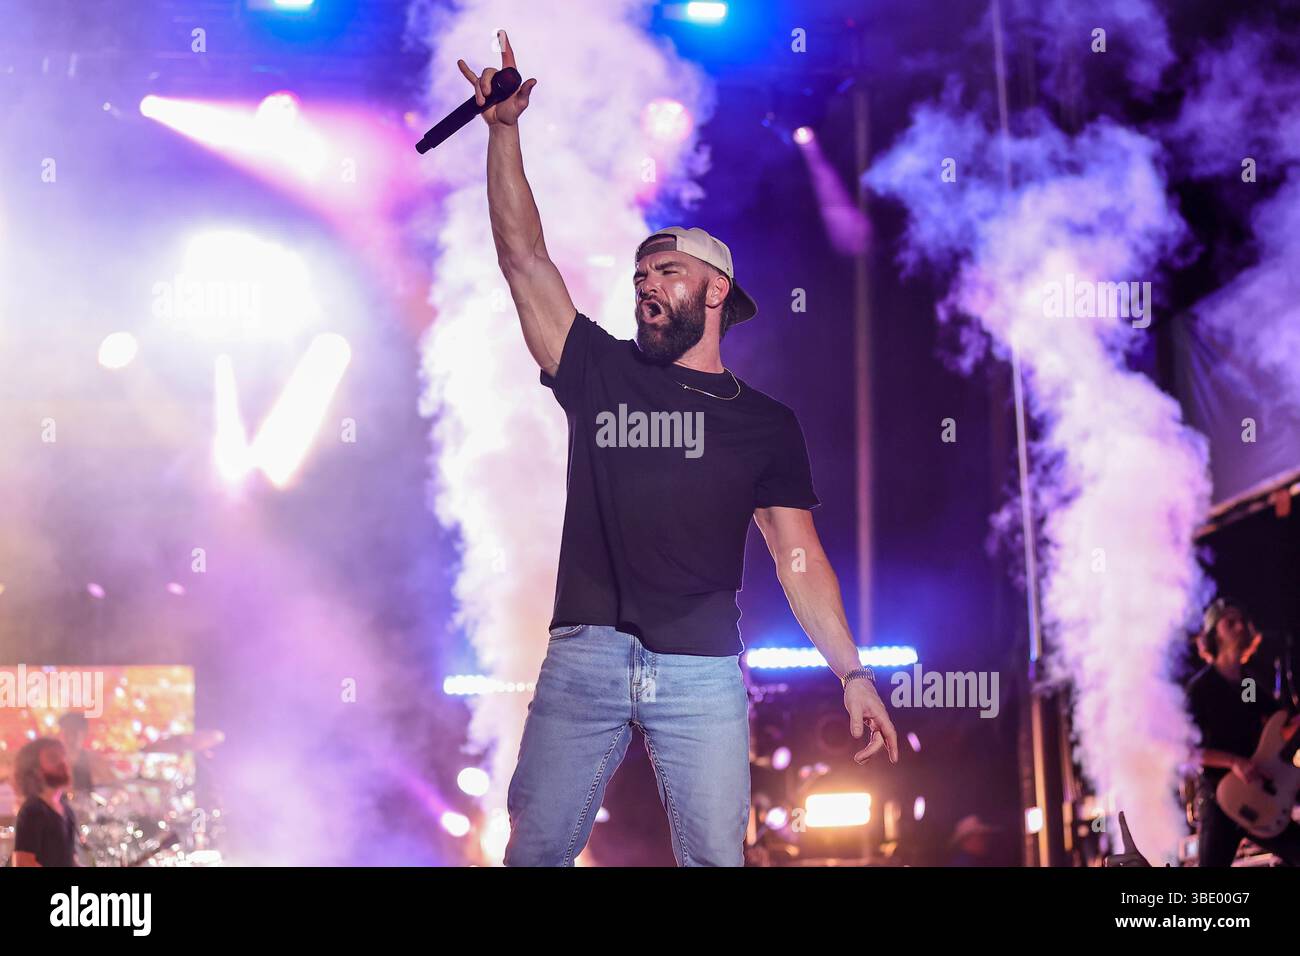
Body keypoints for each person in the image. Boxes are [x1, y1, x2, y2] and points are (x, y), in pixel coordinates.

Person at [457, 30, 897, 868]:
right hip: (585, 652)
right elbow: (523, 260)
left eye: (663, 271)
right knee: (536, 852)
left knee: (717, 863)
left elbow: (799, 560)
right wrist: (505, 135)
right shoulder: (597, 368)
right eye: (638, 276)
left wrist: (852, 673)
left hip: (699, 668)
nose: (644, 284)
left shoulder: (764, 423)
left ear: (715, 290)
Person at [1186, 598, 1300, 866]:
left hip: (1260, 794)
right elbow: (1188, 751)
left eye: (1241, 621)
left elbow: (1278, 728)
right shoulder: (1202, 688)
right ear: (1214, 634)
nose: (1240, 626)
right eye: (1230, 622)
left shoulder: (1248, 684)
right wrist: (1234, 762)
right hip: (1220, 800)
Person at [12, 738, 80, 867]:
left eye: (63, 756)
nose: (62, 762)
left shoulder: (67, 810)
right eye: (53, 758)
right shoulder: (32, 811)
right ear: (35, 769)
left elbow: (70, 861)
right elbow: (24, 863)